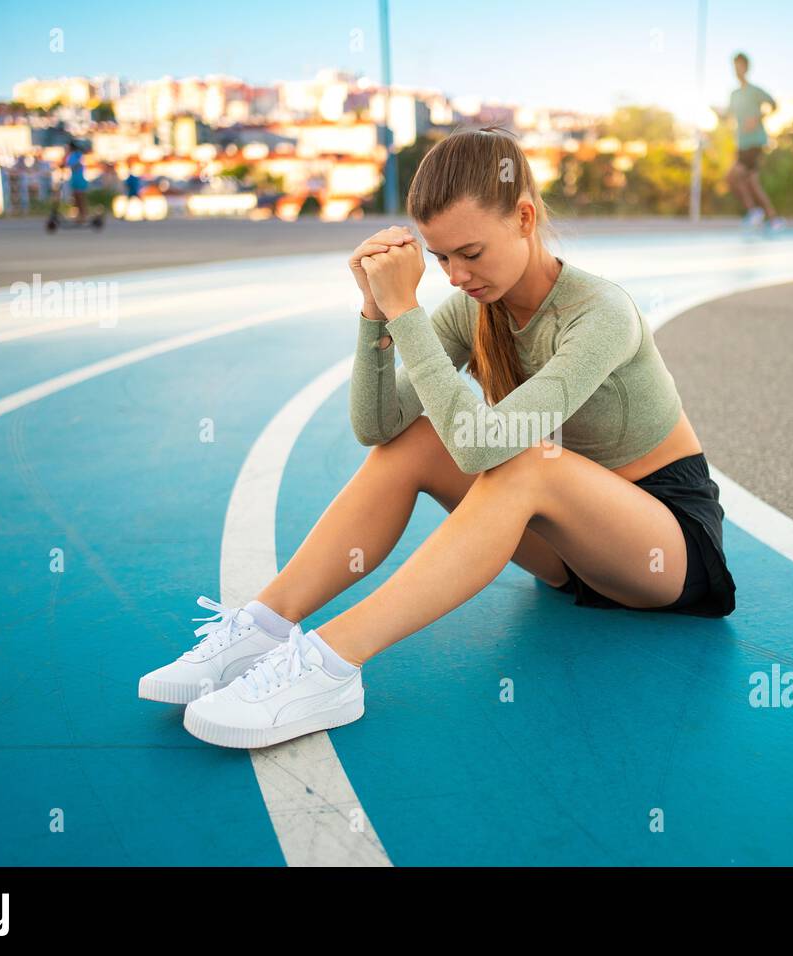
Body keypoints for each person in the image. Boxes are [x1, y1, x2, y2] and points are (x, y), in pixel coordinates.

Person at [138, 126, 738, 750]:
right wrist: (375, 312)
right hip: (569, 556)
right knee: (420, 441)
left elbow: (482, 448)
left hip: (663, 550)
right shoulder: (475, 309)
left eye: (471, 253)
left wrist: (406, 314)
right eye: (441, 258)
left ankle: (330, 666)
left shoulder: (600, 314)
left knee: (531, 461)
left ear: (524, 216)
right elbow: (378, 428)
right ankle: (263, 628)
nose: (455, 276)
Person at [717, 52, 785, 231]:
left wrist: (759, 117)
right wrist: (717, 113)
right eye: (734, 66)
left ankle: (755, 212)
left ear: (746, 68)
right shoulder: (734, 94)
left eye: (740, 65)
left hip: (755, 141)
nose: (737, 69)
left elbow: (774, 105)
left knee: (733, 177)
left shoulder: (755, 91)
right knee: (751, 182)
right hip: (742, 143)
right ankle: (772, 218)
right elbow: (727, 116)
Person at [62, 141, 89, 224]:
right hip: (75, 178)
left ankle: (83, 216)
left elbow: (77, 165)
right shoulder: (73, 155)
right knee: (76, 198)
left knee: (80, 197)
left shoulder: (76, 155)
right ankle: (79, 216)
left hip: (78, 178)